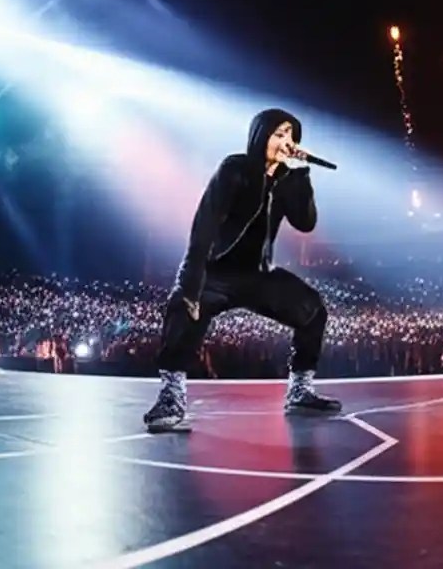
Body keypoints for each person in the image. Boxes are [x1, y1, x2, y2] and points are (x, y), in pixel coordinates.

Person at [143, 108, 341, 432]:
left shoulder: (288, 178)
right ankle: (170, 397)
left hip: (258, 274)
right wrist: (191, 280)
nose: (286, 142)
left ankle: (300, 390)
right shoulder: (235, 168)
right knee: (183, 310)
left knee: (313, 310)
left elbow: (306, 223)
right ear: (260, 136)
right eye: (279, 134)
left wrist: (302, 174)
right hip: (218, 271)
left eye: (291, 135)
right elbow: (204, 224)